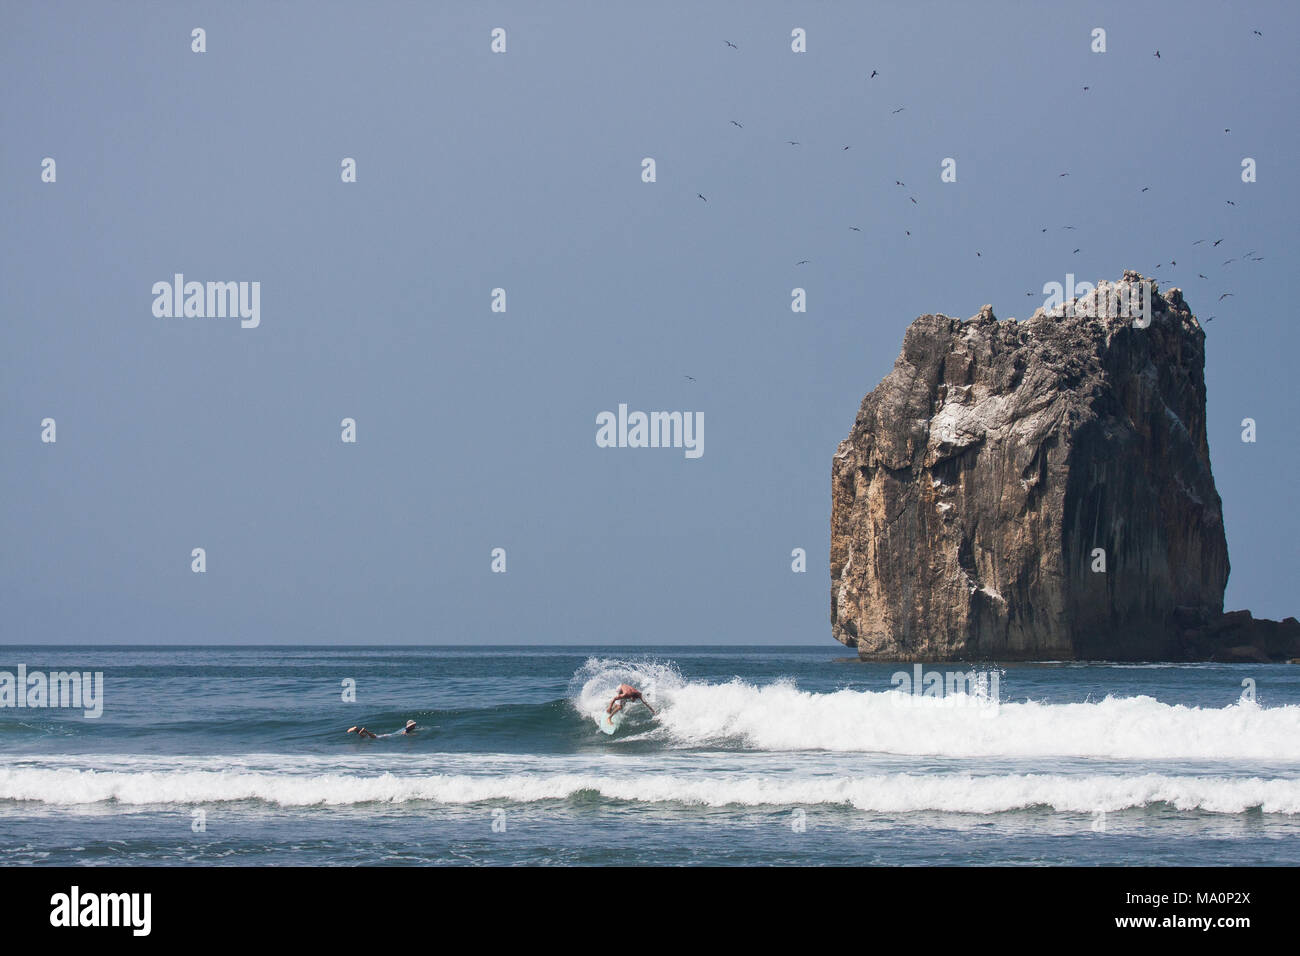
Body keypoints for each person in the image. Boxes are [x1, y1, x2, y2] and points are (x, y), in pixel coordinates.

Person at [347, 719, 417, 739]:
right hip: (389, 735)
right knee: (375, 737)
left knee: (366, 737)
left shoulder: (404, 728)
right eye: (413, 725)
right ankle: (365, 730)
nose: (414, 726)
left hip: (390, 734)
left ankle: (356, 730)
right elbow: (404, 733)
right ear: (410, 726)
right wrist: (412, 735)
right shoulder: (407, 730)